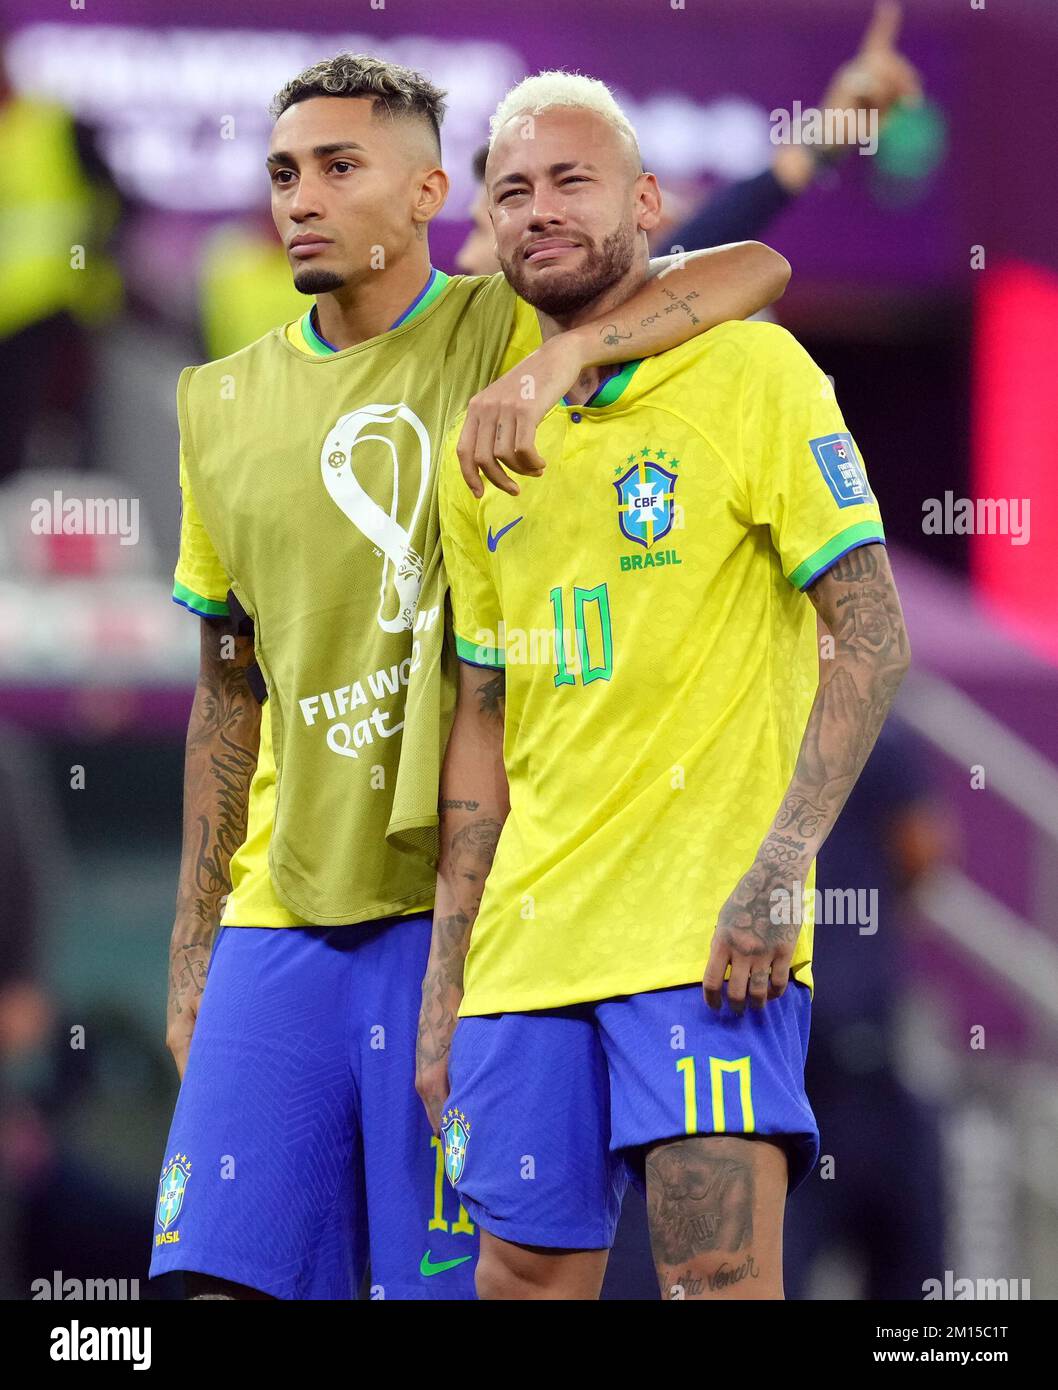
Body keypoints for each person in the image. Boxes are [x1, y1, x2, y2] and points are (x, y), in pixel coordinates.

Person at [150, 52, 789, 1302]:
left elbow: (750, 270)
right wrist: (191, 955)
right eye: (283, 172)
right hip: (279, 914)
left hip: (464, 921)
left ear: (431, 194)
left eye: (339, 169)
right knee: (206, 1289)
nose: (300, 198)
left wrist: (559, 361)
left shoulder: (499, 323)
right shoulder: (213, 402)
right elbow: (228, 692)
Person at [418, 71, 911, 1300]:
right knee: (522, 1281)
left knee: (714, 1283)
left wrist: (780, 862)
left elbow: (872, 631)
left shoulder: (752, 374)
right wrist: (447, 973)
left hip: (704, 945)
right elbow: (483, 718)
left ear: (647, 204)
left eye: (570, 181)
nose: (538, 208)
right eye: (512, 190)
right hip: (524, 958)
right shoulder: (470, 451)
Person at [454, 0, 922, 277]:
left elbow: (701, 250)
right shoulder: (455, 366)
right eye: (510, 199)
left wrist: (828, 135)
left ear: (644, 206)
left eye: (481, 232)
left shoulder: (646, 327)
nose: (464, 258)